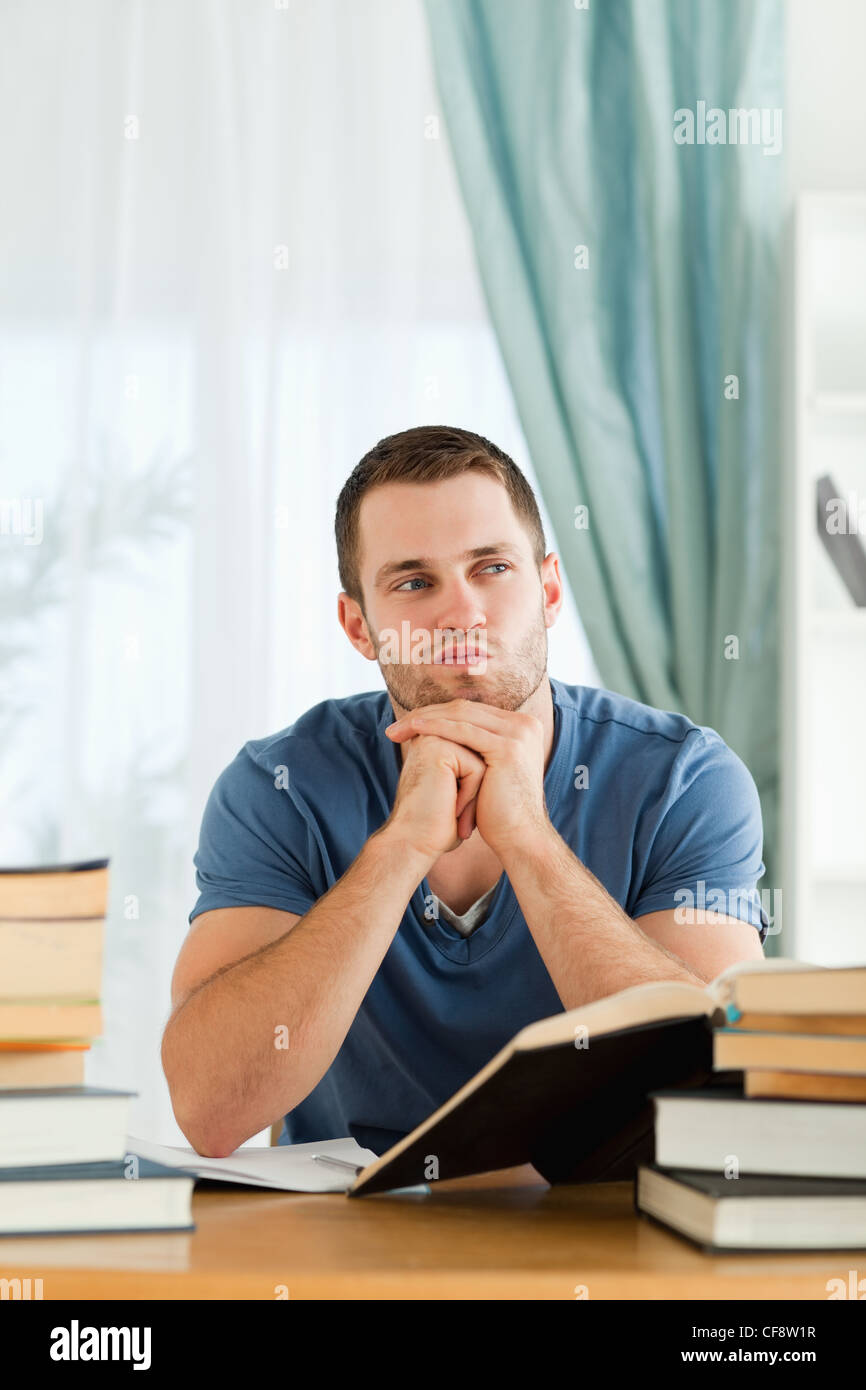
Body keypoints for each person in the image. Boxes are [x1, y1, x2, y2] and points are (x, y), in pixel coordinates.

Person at [162, 425, 767, 1158]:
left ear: (547, 590)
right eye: (414, 583)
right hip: (340, 1246)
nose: (461, 614)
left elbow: (716, 1095)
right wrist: (399, 850)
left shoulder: (684, 781)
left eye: (492, 568)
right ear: (359, 625)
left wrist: (530, 842)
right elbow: (209, 1108)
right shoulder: (278, 788)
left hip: (611, 1241)